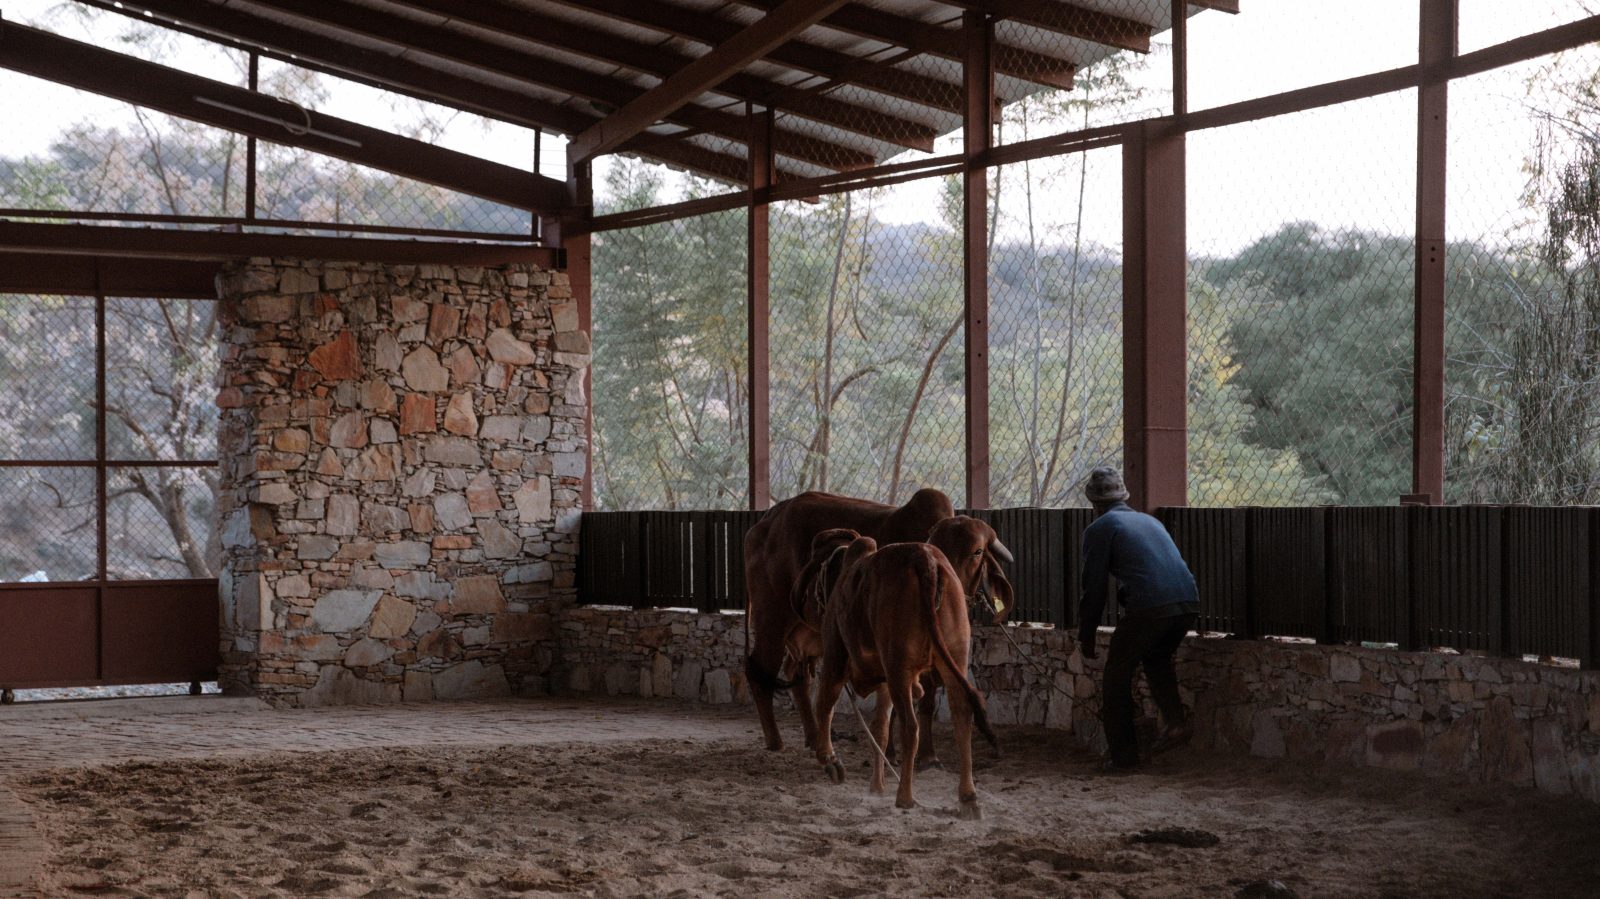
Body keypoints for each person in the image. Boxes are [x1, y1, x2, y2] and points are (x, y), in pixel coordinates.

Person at [1076, 466, 1199, 771]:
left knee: (1116, 676)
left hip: (1150, 608)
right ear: (1124, 496)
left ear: (1093, 502)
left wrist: (1086, 634)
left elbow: (1093, 588)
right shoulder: (1148, 520)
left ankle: (1124, 758)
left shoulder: (1100, 529)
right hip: (1187, 603)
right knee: (1156, 658)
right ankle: (1175, 722)